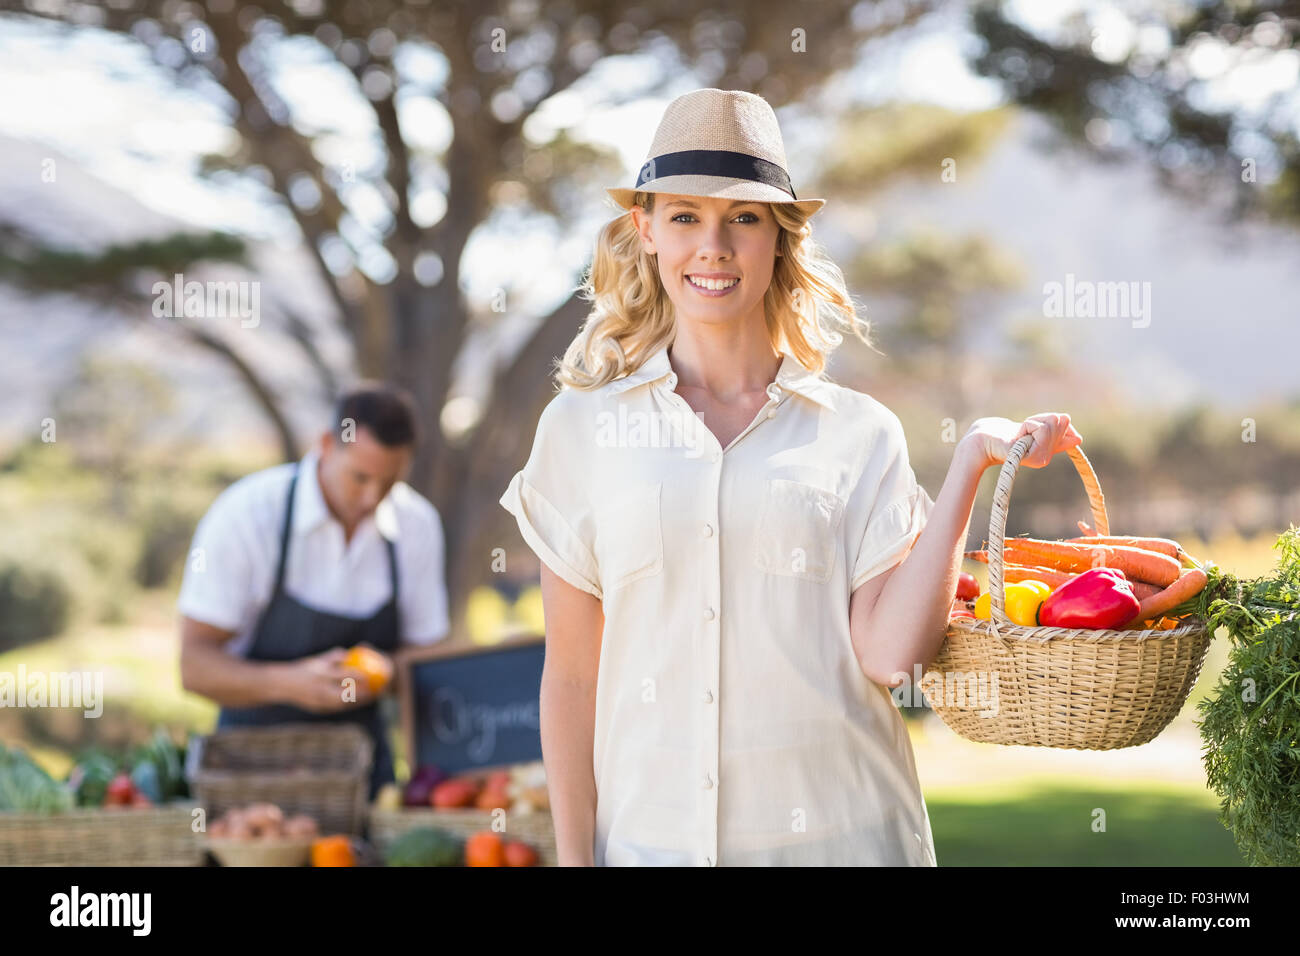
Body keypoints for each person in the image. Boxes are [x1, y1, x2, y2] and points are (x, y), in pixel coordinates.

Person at [498, 88, 1082, 866]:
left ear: (780, 237)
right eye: (685, 217)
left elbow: (892, 659)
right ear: (646, 231)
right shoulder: (581, 432)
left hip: (846, 840)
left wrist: (972, 460)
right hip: (651, 847)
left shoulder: (859, 433)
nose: (713, 246)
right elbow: (571, 677)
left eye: (742, 218)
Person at [179, 382, 451, 798]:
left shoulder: (418, 525)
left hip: (364, 781)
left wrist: (384, 673)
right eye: (359, 477)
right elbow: (194, 666)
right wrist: (288, 683)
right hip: (250, 777)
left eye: (390, 482)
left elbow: (429, 657)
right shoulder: (247, 515)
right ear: (326, 444)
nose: (371, 498)